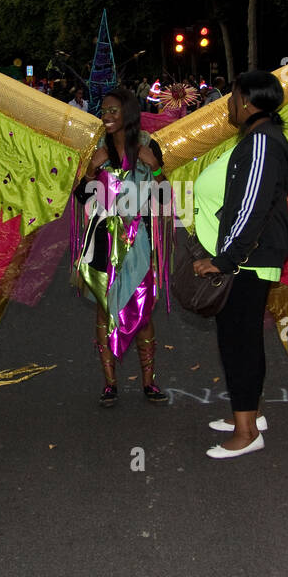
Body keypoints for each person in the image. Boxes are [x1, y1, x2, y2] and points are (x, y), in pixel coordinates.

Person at [192, 70, 288, 459]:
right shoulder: (262, 138)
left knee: (238, 341)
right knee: (242, 338)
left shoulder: (260, 143)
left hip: (248, 261)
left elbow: (251, 208)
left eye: (233, 96)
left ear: (248, 102)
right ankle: (248, 415)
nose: (228, 103)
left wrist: (224, 260)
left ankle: (246, 432)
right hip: (251, 258)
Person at [74, 87, 169, 406]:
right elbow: (82, 199)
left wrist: (154, 167)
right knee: (104, 309)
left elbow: (166, 199)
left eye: (113, 110)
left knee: (141, 312)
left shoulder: (147, 145)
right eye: (104, 111)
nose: (106, 116)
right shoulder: (99, 149)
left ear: (128, 113)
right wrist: (91, 172)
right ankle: (109, 384)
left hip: (137, 240)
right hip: (102, 240)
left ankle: (149, 382)